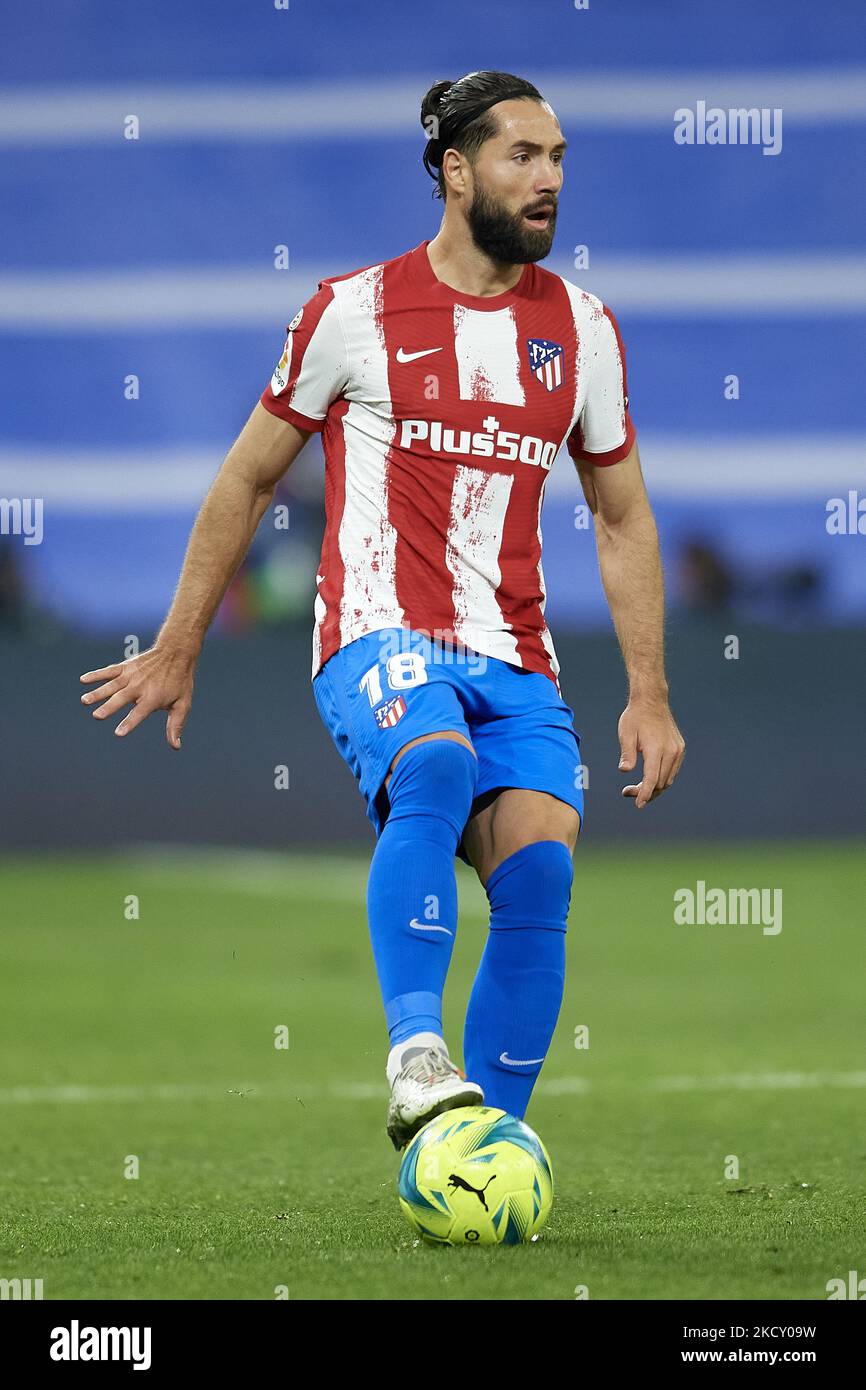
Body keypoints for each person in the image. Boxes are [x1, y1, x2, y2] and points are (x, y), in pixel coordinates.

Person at [80, 70, 685, 1151]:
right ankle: (415, 1051)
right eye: (521, 157)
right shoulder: (349, 311)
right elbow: (246, 479)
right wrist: (177, 645)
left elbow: (622, 513)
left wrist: (648, 691)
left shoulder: (584, 332)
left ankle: (478, 1150)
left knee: (542, 860)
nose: (548, 180)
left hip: (515, 651)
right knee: (439, 765)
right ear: (453, 174)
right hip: (375, 627)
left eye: (557, 159)